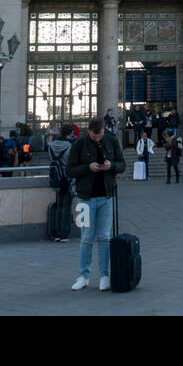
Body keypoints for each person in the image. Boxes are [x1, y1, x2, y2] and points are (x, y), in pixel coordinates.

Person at [66, 116, 125, 291]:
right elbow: (70, 170)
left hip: (106, 197)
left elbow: (122, 164)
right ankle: (83, 276)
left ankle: (104, 276)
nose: (97, 138)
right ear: (89, 131)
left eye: (99, 136)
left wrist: (111, 165)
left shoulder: (111, 141)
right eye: (94, 136)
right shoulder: (79, 144)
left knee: (105, 237)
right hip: (84, 198)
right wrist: (87, 168)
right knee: (86, 238)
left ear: (103, 130)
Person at [48, 123, 75, 242]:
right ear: (69, 133)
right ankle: (64, 234)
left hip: (56, 179)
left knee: (59, 205)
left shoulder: (52, 146)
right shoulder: (70, 146)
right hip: (67, 179)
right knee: (66, 207)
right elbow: (72, 163)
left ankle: (57, 233)